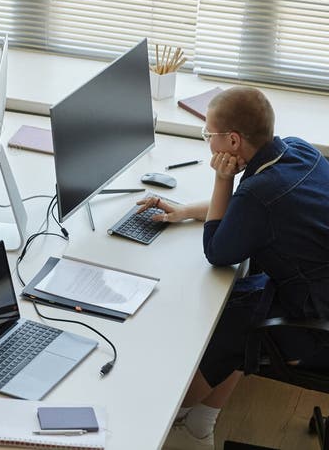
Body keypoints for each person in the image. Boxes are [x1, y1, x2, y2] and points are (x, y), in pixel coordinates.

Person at [137, 87, 329, 450]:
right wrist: (183, 210)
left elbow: (217, 251)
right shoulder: (298, 149)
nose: (207, 142)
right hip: (315, 288)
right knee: (234, 302)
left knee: (221, 324)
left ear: (234, 141)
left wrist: (222, 179)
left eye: (209, 135)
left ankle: (169, 416)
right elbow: (248, 210)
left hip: (317, 324)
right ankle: (198, 425)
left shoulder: (260, 192)